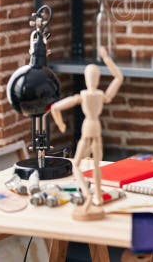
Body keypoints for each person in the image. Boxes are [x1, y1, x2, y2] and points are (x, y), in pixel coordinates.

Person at [48, 46, 123, 220]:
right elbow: (118, 77)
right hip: (96, 128)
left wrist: (60, 124)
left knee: (76, 164)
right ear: (96, 78)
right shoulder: (102, 96)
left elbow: (55, 107)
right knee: (96, 165)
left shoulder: (82, 96)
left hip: (88, 127)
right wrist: (106, 59)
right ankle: (96, 196)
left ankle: (89, 195)